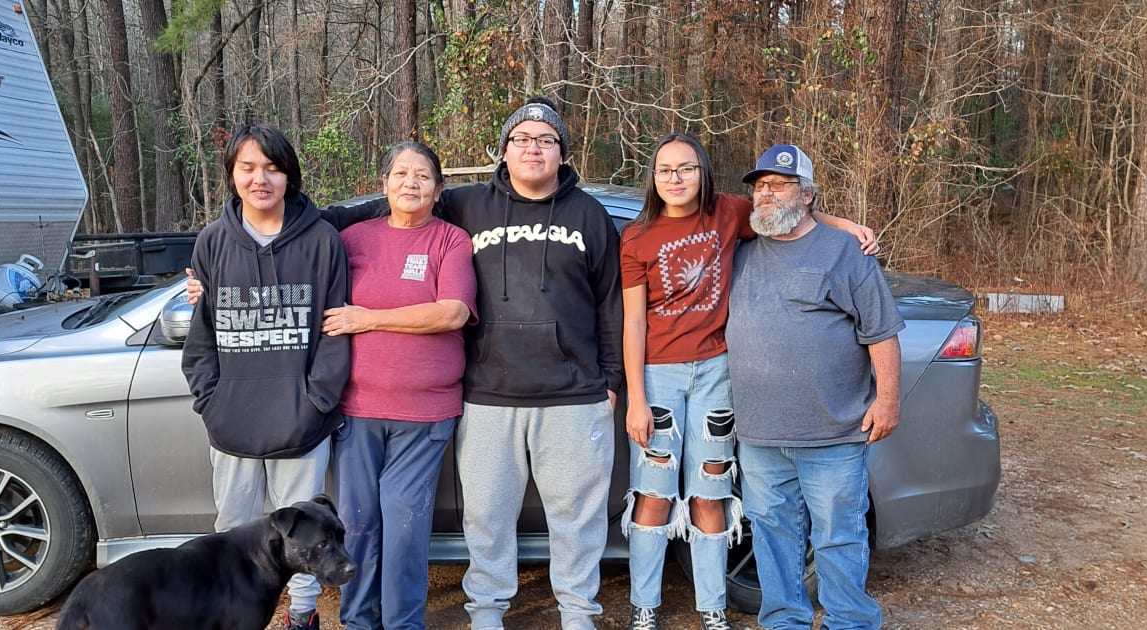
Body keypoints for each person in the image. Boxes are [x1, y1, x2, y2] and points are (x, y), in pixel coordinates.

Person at [321, 96, 622, 630]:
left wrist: (612, 382)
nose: (533, 148)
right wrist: (273, 236)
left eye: (545, 140)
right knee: (486, 519)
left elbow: (610, 303)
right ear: (503, 152)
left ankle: (578, 614)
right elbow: (391, 211)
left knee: (577, 518)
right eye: (521, 139)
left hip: (573, 395)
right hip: (488, 393)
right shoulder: (467, 206)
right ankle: (487, 613)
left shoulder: (590, 215)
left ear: (561, 153)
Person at [620, 134, 877, 630]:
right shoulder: (635, 238)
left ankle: (711, 608)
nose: (675, 179)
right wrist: (637, 398)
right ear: (652, 178)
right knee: (652, 492)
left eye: (687, 168)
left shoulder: (727, 213)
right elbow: (633, 322)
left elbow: (791, 208)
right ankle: (643, 606)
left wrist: (848, 227)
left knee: (710, 492)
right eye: (665, 170)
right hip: (660, 376)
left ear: (704, 173)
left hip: (718, 370)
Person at [725, 144, 904, 630]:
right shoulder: (739, 251)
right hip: (759, 436)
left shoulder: (844, 251)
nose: (765, 194)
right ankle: (785, 621)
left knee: (838, 538)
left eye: (778, 185)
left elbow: (881, 331)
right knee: (772, 535)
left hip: (832, 433)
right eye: (760, 186)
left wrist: (888, 400)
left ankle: (850, 621)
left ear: (807, 195)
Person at [181, 123, 351, 630]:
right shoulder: (212, 243)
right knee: (233, 530)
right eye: (248, 168)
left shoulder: (321, 241)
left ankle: (302, 616)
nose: (261, 179)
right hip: (231, 424)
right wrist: (210, 399)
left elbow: (335, 331)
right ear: (232, 175)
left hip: (301, 423)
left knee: (307, 538)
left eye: (272, 168)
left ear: (289, 176)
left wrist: (317, 400)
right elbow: (202, 335)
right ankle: (234, 618)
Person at [324, 141, 477, 630]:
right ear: (384, 183)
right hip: (357, 409)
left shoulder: (450, 241)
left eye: (423, 176)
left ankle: (403, 623)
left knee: (405, 526)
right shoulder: (352, 239)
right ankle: (358, 621)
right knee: (359, 524)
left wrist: (368, 319)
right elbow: (294, 265)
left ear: (438, 189)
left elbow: (451, 311)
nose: (411, 183)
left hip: (425, 415)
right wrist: (207, 282)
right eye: (401, 174)